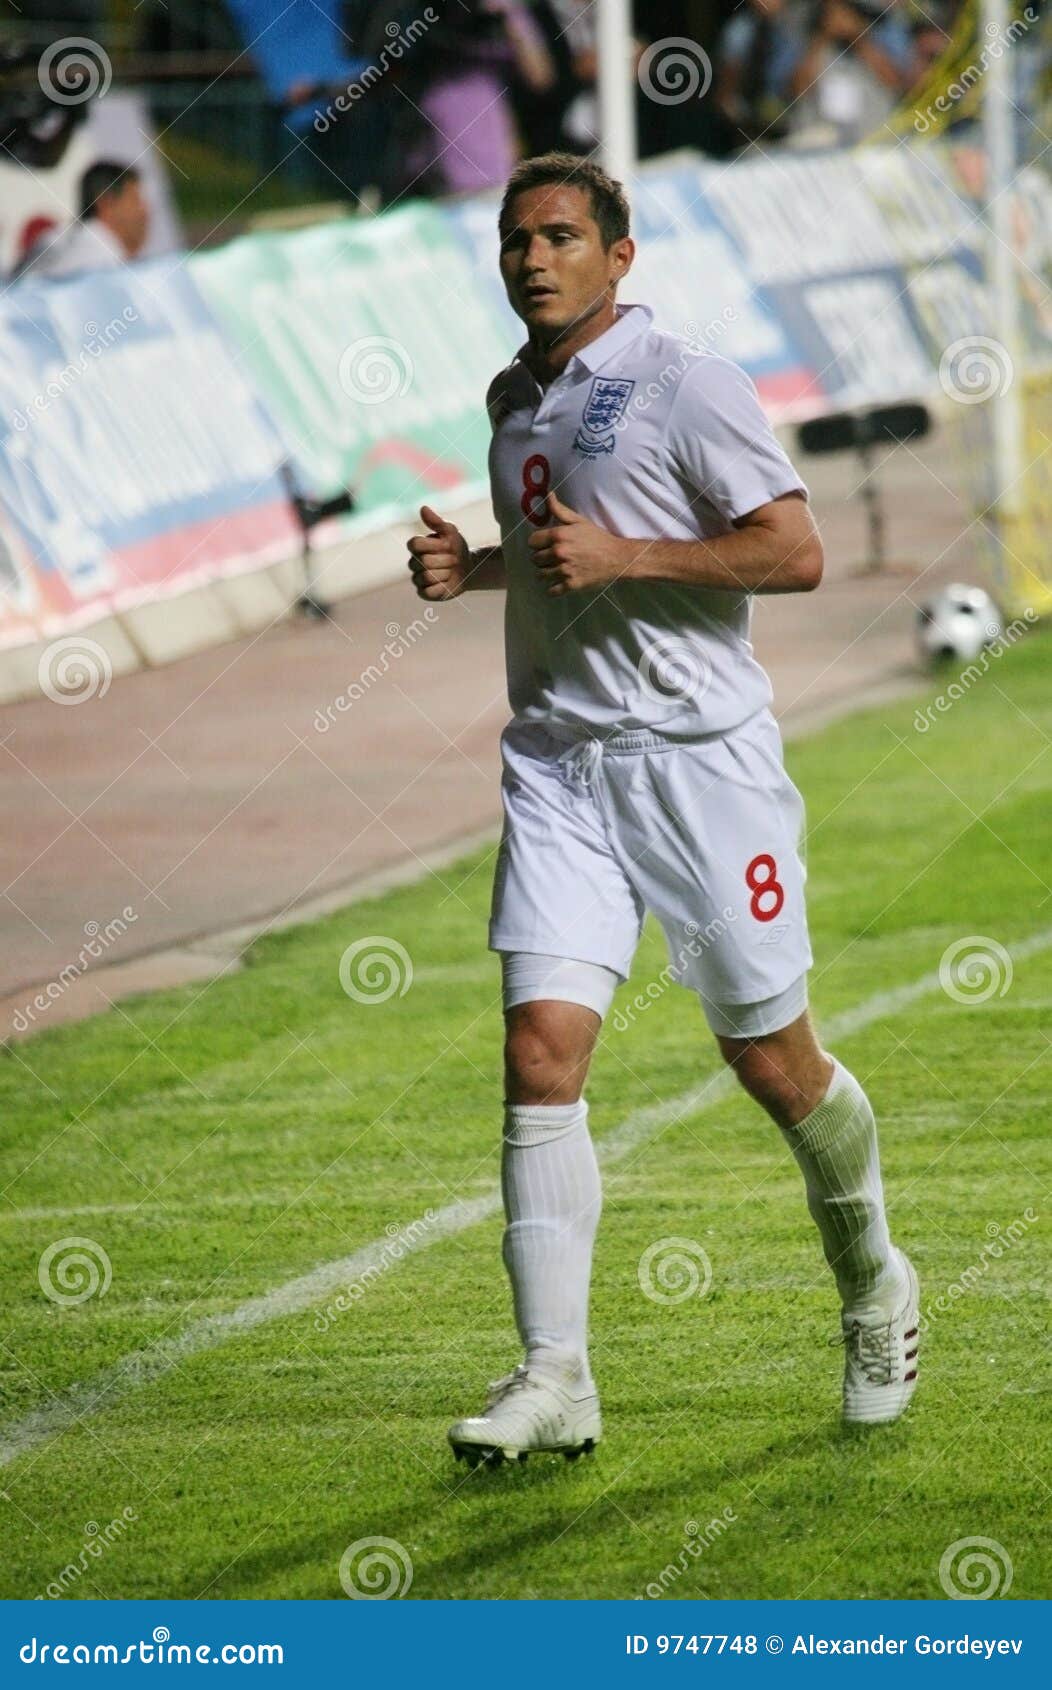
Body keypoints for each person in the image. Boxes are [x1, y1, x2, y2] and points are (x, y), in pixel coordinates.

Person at [407, 153, 919, 1466]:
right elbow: (556, 553)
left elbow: (793, 550)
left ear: (619, 256)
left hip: (699, 767)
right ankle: (556, 1375)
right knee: (538, 1051)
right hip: (562, 765)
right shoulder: (512, 399)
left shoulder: (690, 384)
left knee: (771, 1059)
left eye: (562, 236)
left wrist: (632, 555)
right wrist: (474, 568)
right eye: (517, 240)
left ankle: (874, 1284)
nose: (533, 258)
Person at [20, 161, 149, 280]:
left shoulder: (56, 239)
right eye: (135, 200)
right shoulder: (102, 264)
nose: (144, 210)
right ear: (106, 203)